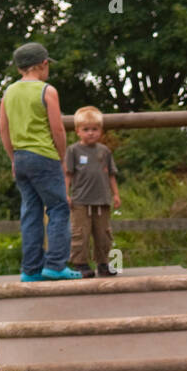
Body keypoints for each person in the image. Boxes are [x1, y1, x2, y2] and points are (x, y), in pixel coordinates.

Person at [0, 42, 81, 281]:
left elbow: (4, 129)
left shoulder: (8, 93)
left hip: (21, 157)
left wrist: (14, 158)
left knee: (31, 212)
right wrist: (62, 158)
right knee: (58, 208)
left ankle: (31, 270)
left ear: (19, 68)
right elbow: (58, 130)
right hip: (44, 156)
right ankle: (55, 264)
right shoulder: (47, 91)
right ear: (43, 64)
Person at [64, 108, 121, 278]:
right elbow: (68, 174)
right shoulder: (73, 151)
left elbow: (111, 175)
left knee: (103, 233)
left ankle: (103, 263)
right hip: (81, 200)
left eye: (94, 129)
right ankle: (80, 264)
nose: (91, 133)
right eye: (86, 130)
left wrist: (116, 194)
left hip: (102, 200)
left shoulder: (104, 151)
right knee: (80, 233)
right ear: (78, 131)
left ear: (101, 131)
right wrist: (65, 194)